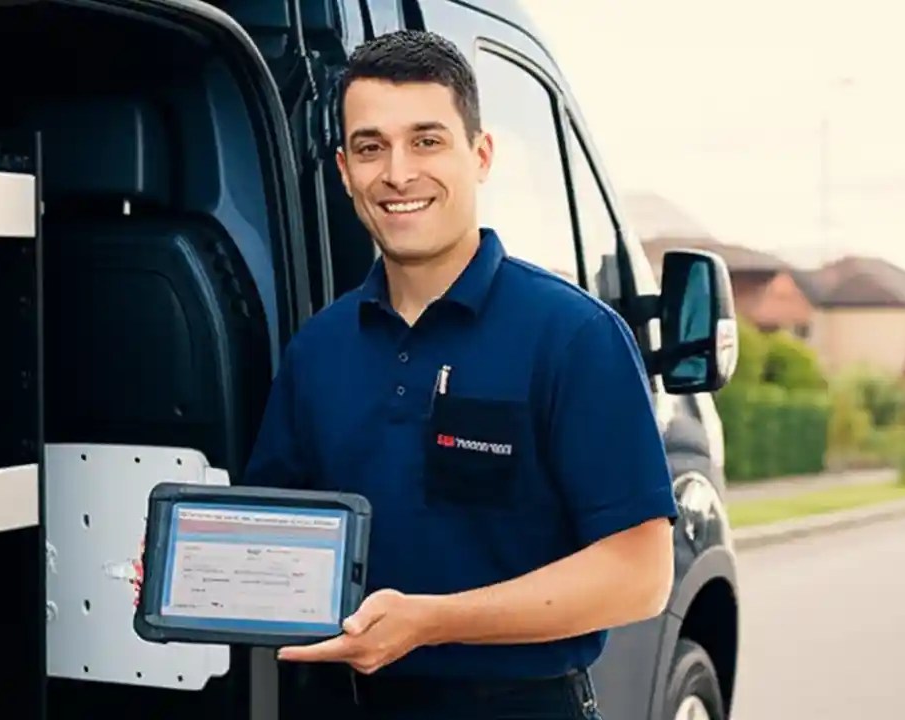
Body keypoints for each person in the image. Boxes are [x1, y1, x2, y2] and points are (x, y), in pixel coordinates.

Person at [243, 29, 678, 720]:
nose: (397, 172)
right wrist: (183, 565)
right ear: (343, 170)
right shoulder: (317, 350)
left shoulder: (575, 336)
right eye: (369, 147)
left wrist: (434, 620)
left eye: (426, 140)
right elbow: (277, 533)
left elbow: (640, 575)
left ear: (479, 155)